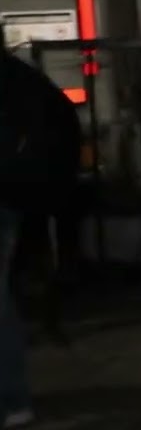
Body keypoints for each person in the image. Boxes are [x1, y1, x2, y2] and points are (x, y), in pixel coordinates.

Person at [0, 46, 82, 429]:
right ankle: (13, 397)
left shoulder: (15, 82)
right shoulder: (21, 77)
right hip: (15, 197)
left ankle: (12, 397)